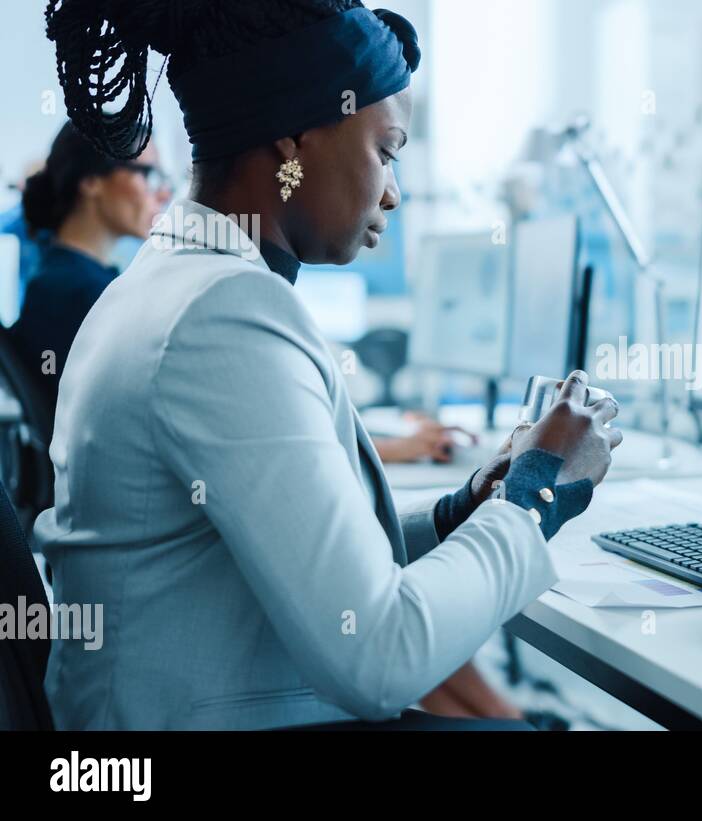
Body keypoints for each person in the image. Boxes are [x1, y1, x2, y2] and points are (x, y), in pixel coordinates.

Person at [36, 0, 621, 730]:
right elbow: (379, 652)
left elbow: (301, 555)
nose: (394, 191)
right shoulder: (220, 316)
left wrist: (461, 508)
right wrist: (538, 493)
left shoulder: (174, 284)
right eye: (386, 149)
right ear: (296, 139)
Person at [9, 123, 170, 410]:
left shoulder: (61, 280)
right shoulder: (76, 294)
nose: (162, 195)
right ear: (92, 181)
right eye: (146, 174)